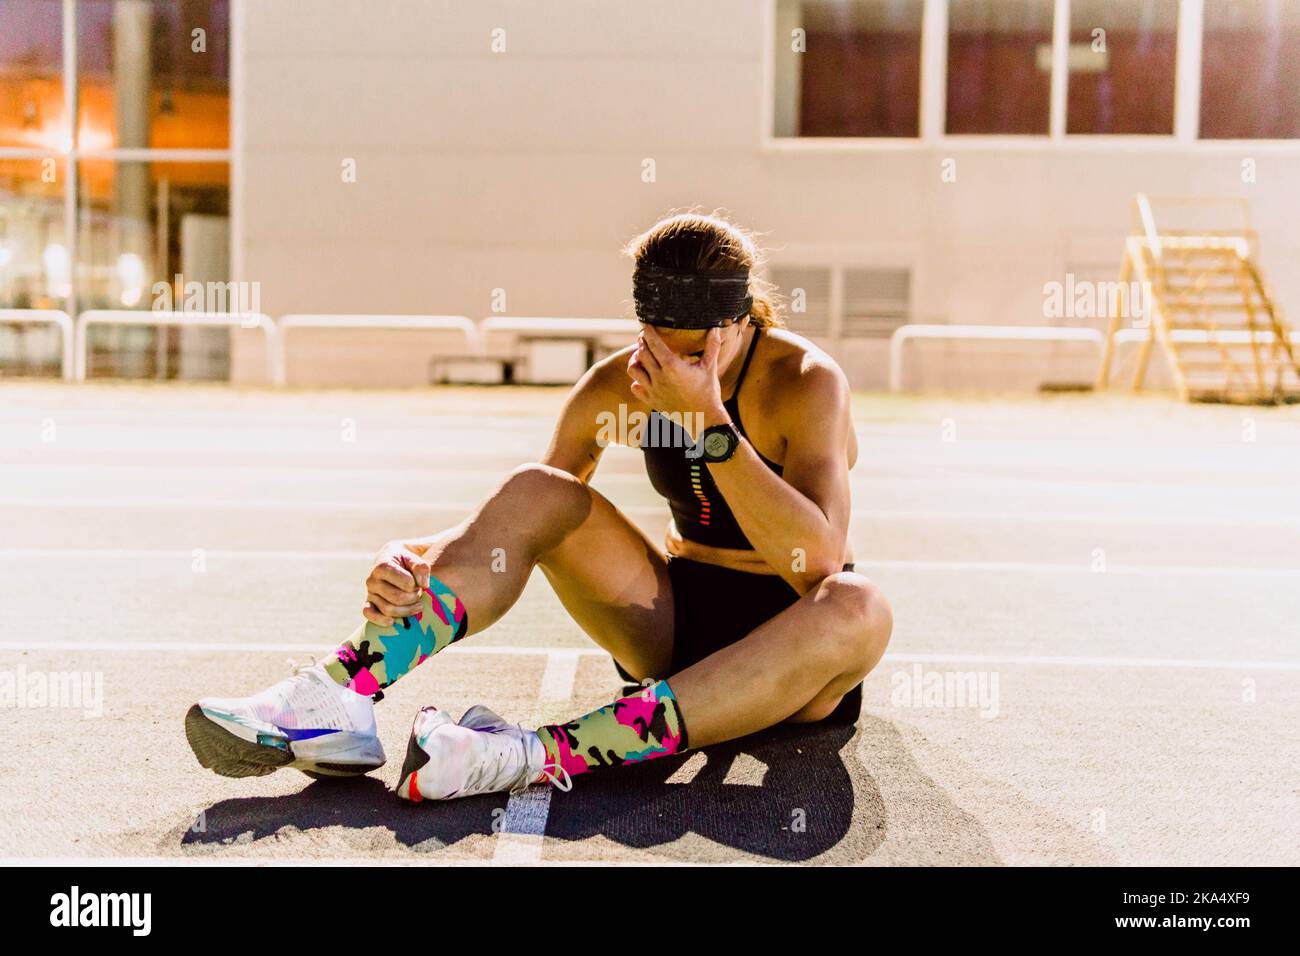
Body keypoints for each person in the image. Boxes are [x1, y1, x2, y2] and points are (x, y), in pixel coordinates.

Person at [185, 211, 893, 800]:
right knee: (540, 487)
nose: (667, 370)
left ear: (735, 326)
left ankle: (529, 754)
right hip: (673, 627)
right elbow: (517, 521)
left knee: (860, 605)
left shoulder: (805, 383)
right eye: (654, 344)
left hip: (792, 658)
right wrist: (410, 556)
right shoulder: (624, 380)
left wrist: (707, 420)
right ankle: (339, 691)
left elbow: (818, 560)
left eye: (692, 356)